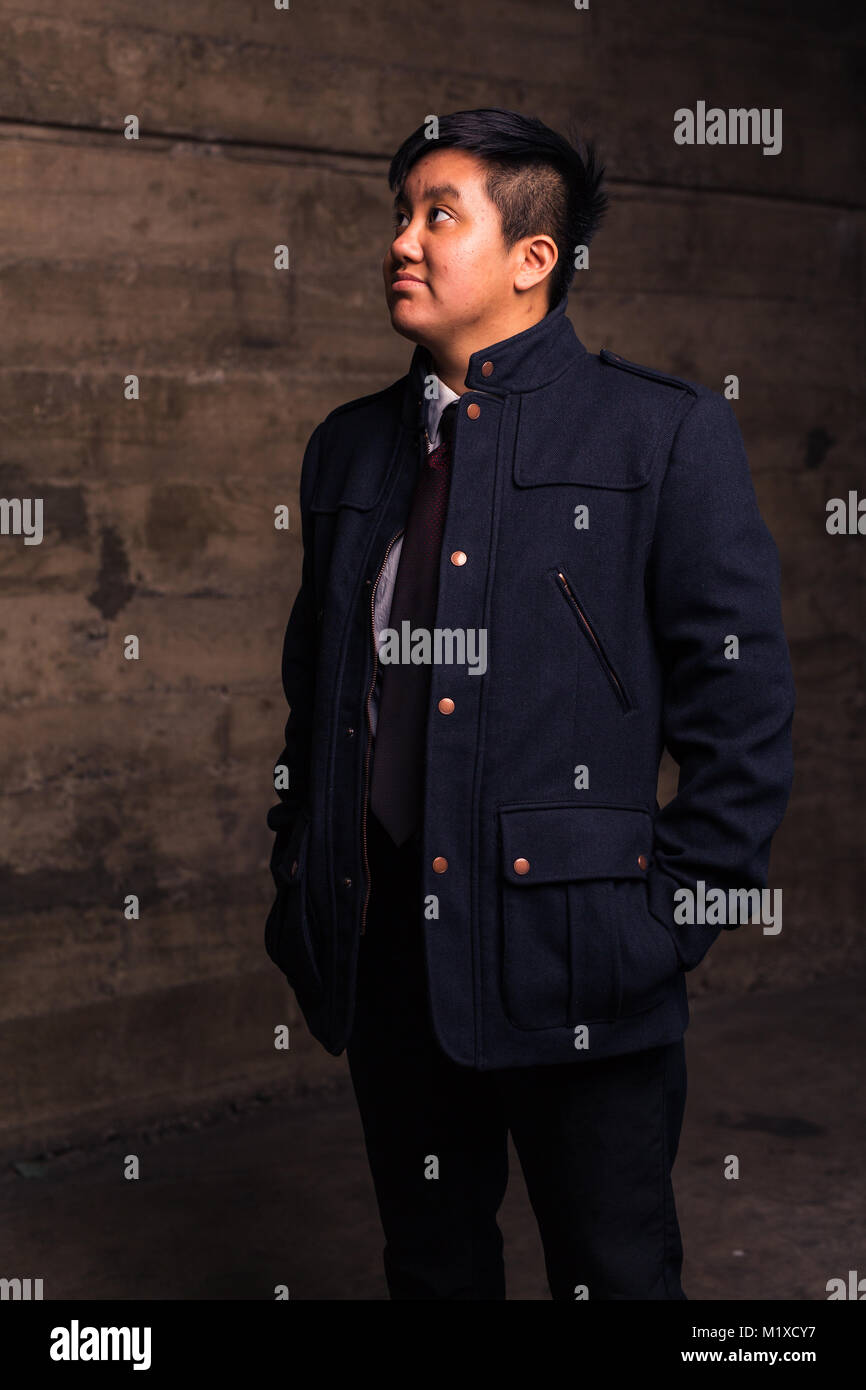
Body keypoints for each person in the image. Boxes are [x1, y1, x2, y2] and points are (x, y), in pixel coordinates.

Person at [265, 107, 795, 1300]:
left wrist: (664, 924)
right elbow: (316, 698)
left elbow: (741, 713)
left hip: (582, 965)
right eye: (397, 215)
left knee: (609, 1270)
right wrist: (300, 870)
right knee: (434, 1265)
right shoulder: (347, 451)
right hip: (389, 949)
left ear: (530, 258)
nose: (401, 240)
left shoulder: (658, 432)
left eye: (436, 214)